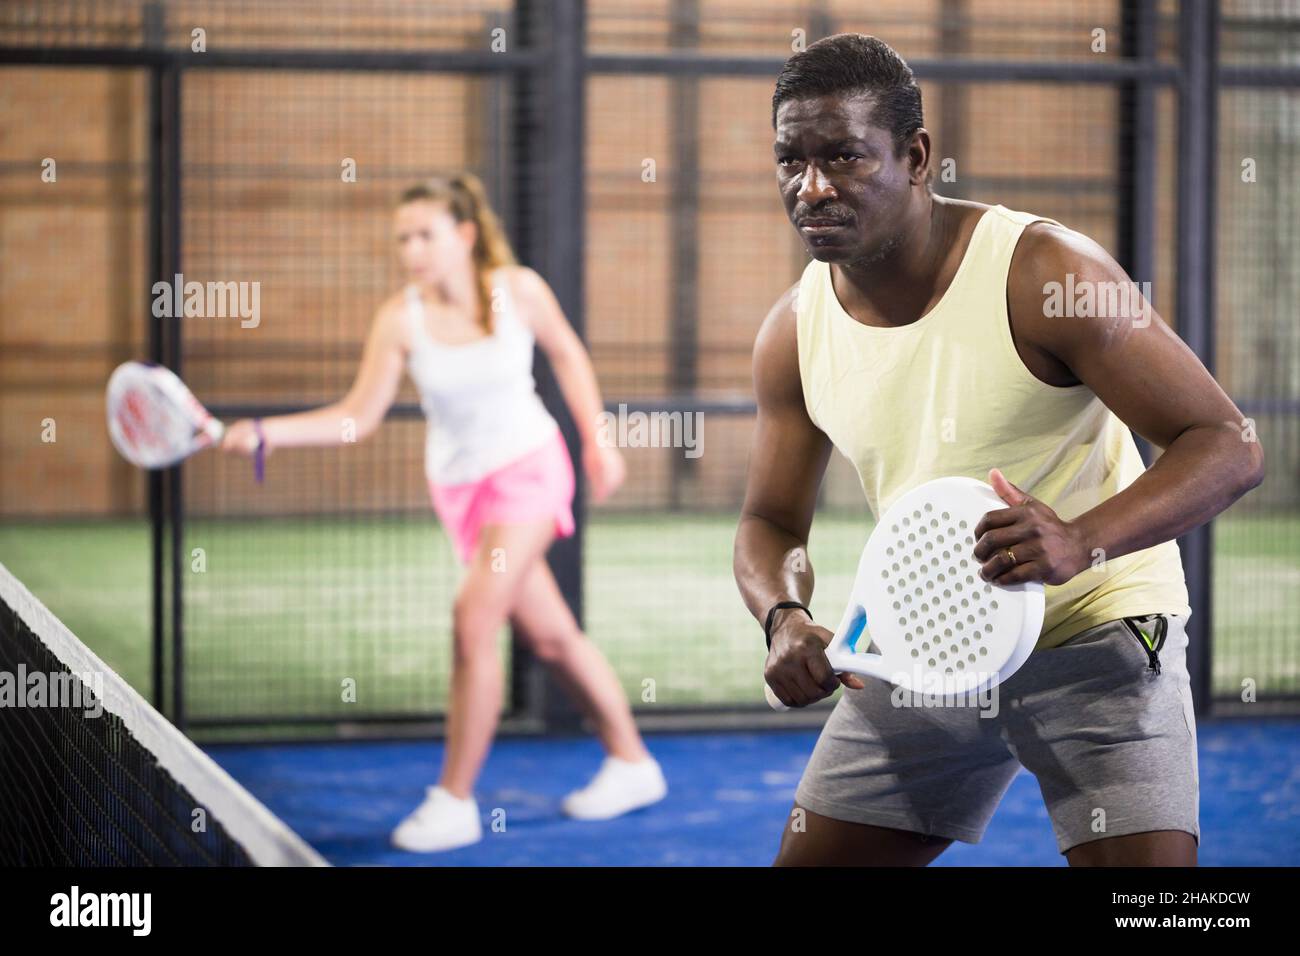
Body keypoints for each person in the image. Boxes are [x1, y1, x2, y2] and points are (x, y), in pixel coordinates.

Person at [733, 34, 1264, 866]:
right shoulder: (792, 331)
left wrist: (1082, 539)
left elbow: (1229, 444)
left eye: (843, 156)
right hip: (924, 642)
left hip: (1099, 634)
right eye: (789, 161)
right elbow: (770, 520)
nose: (812, 187)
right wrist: (783, 616)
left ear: (916, 157)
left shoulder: (1045, 272)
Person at [223, 172, 667, 853]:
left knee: (472, 618)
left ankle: (453, 800)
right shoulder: (399, 318)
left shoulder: (517, 289)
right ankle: (633, 763)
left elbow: (569, 356)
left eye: (425, 234)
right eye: (402, 238)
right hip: (461, 494)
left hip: (531, 470)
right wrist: (265, 433)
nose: (412, 250)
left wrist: (599, 440)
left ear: (463, 235)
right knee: (550, 637)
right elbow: (356, 418)